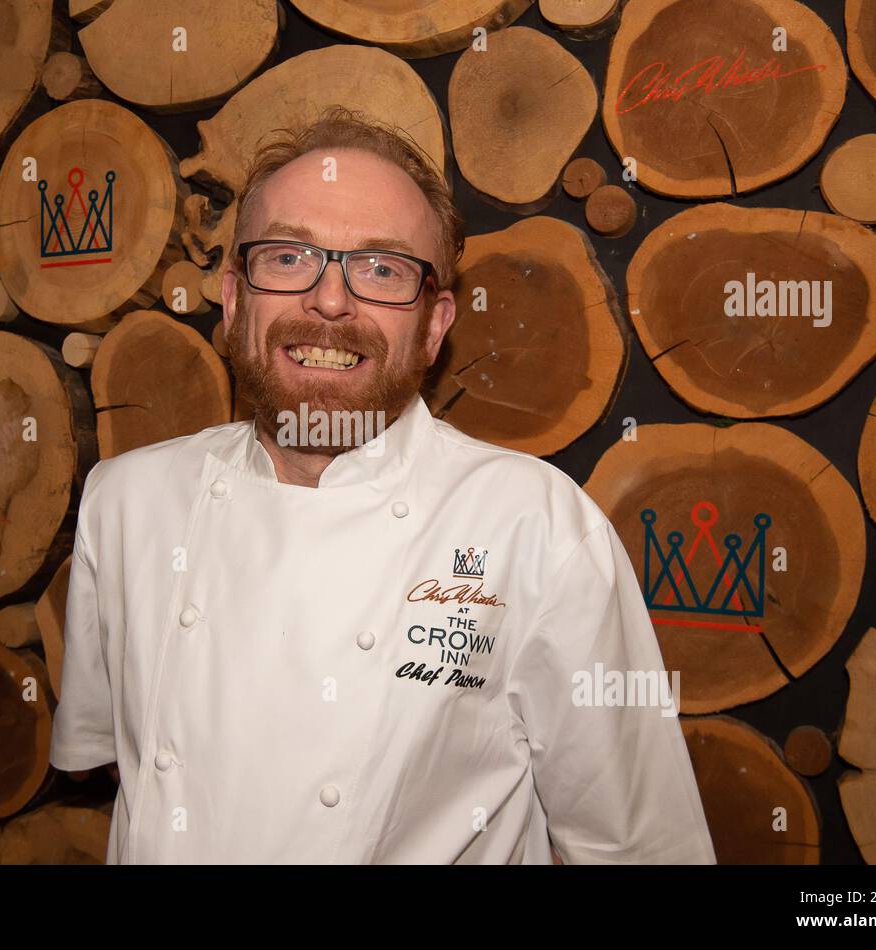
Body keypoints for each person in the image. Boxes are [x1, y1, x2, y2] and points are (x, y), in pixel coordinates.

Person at [49, 106, 716, 865]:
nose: (330, 302)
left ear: (435, 327)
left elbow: (641, 850)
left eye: (381, 269)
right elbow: (111, 760)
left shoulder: (540, 531)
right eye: (288, 256)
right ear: (233, 300)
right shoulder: (125, 502)